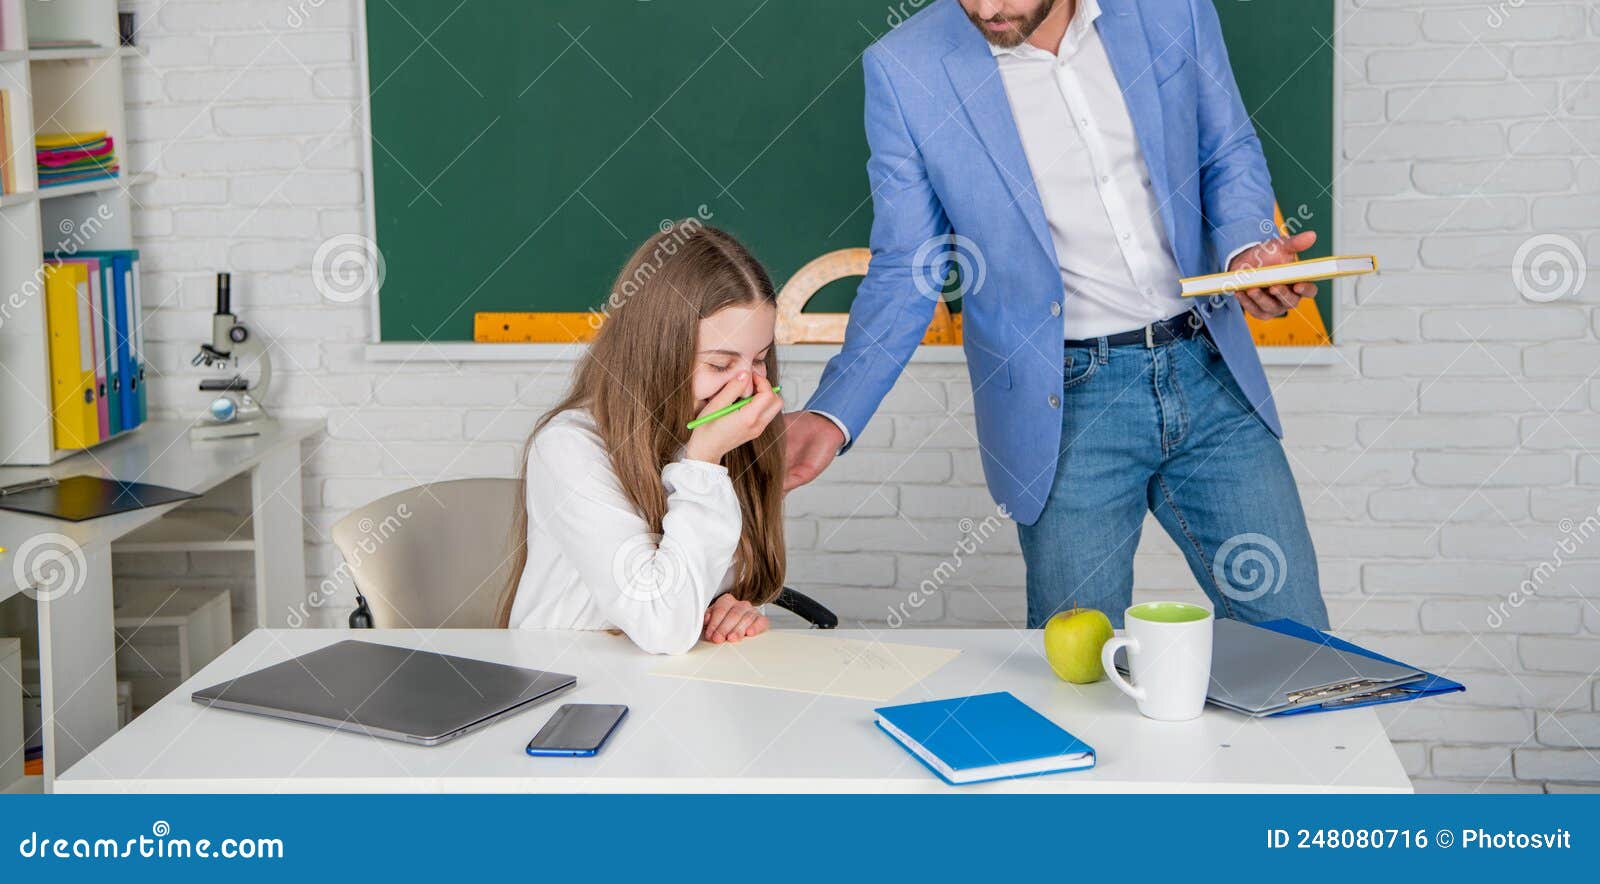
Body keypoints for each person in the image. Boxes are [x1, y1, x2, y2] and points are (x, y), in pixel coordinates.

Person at [784, 0, 1330, 629]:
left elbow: (1226, 147)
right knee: (1078, 671)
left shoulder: (1172, 9)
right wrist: (834, 409)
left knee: (1295, 641)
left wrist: (1245, 248)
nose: (986, 9)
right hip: (1066, 405)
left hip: (1209, 371)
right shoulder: (906, 68)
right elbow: (910, 262)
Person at [496, 222, 787, 654]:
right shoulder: (569, 448)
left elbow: (696, 595)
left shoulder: (724, 435)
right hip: (570, 678)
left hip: (670, 683)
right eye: (720, 366)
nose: (745, 387)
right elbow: (663, 626)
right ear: (656, 356)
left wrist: (729, 607)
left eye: (759, 360)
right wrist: (704, 464)